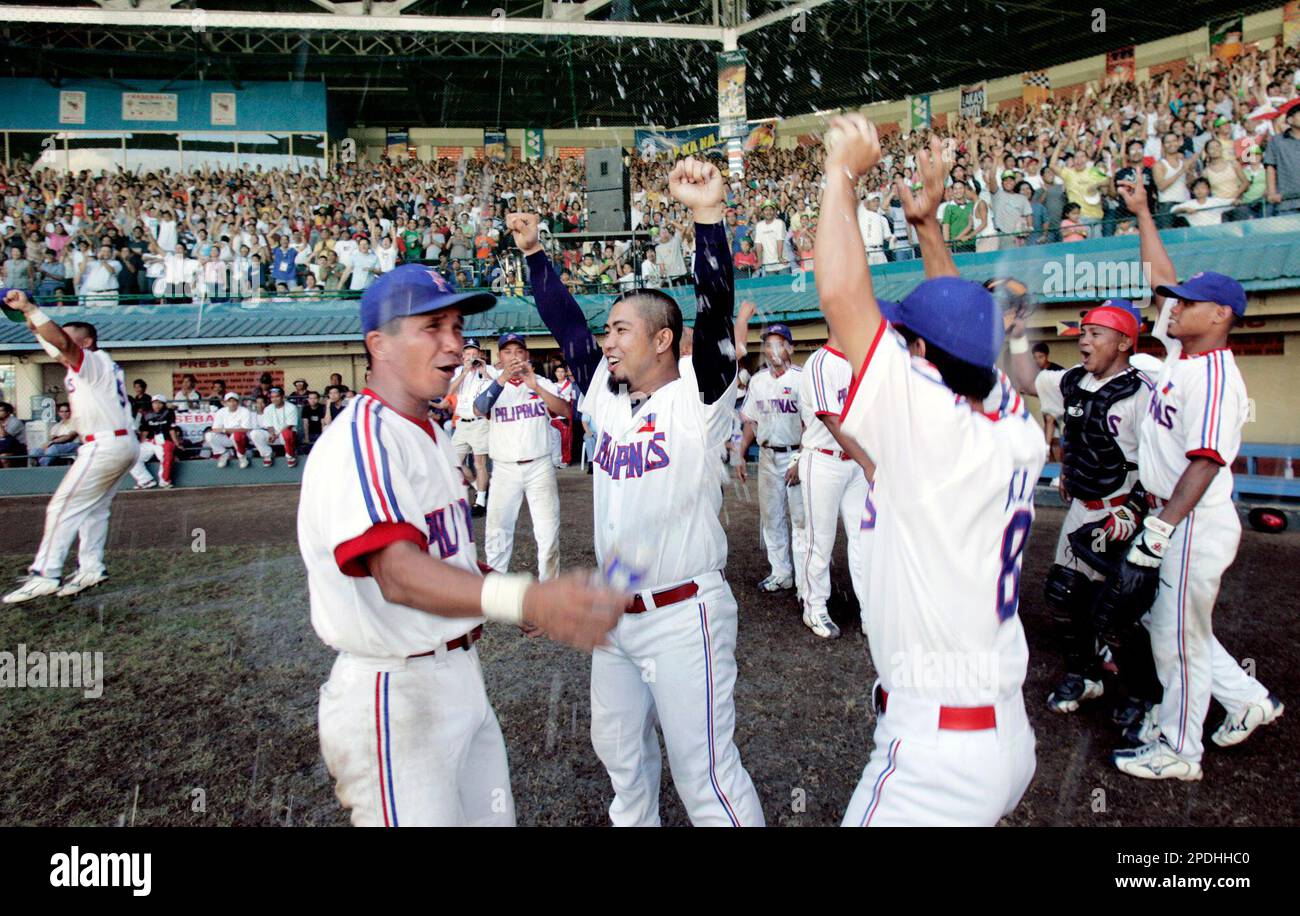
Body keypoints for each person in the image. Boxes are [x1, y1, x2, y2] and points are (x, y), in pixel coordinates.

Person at [296, 262, 624, 827]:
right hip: (394, 689)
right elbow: (397, 572)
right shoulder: (363, 437)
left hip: (456, 674)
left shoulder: (425, 430)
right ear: (379, 344)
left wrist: (502, 591)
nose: (454, 343)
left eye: (456, 326)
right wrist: (526, 599)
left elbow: (447, 555)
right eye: (432, 327)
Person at [507, 154, 764, 827]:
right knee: (622, 763)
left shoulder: (699, 396)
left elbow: (716, 309)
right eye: (609, 329)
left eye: (621, 328)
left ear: (662, 339)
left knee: (705, 776)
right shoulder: (607, 395)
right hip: (614, 613)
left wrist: (708, 219)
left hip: (684, 614)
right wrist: (535, 253)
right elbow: (564, 323)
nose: (606, 340)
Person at [818, 119, 1042, 826]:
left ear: (918, 350)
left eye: (904, 336)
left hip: (937, 754)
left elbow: (842, 299)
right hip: (1000, 732)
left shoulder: (926, 425)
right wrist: (928, 229)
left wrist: (842, 174)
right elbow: (968, 337)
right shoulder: (1009, 422)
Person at [1106, 177, 1282, 781]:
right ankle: (1248, 701)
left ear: (1221, 314)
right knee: (1172, 625)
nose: (1173, 307)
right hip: (1178, 515)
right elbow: (1161, 275)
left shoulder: (1215, 377)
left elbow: (1206, 460)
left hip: (1190, 519)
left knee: (1175, 640)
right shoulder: (1186, 356)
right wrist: (1142, 214)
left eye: (1187, 302)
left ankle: (1181, 750)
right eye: (1175, 301)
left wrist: (1160, 527)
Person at [1005, 300, 1161, 721]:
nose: (1084, 340)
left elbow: (1162, 459)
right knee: (1063, 594)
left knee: (1119, 612)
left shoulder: (1143, 392)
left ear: (1125, 341)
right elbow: (1025, 379)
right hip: (1082, 509)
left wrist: (1136, 510)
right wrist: (1018, 332)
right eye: (1084, 332)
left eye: (1096, 334)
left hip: (1125, 510)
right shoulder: (1074, 380)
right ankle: (1083, 674)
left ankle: (1141, 694)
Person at [1, 290, 139, 603]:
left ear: (86, 341)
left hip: (105, 444)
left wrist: (33, 308)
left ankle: (45, 573)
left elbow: (62, 344)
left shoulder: (92, 361)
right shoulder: (88, 365)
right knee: (94, 510)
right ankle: (90, 568)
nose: (63, 338)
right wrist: (29, 317)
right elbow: (56, 346)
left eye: (71, 335)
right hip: (119, 442)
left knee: (63, 506)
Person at [794, 331, 875, 641]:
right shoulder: (820, 362)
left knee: (864, 539)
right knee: (820, 540)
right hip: (823, 460)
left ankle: (870, 611)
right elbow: (831, 419)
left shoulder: (860, 363)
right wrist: (868, 463)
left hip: (855, 462)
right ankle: (814, 607)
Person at [473, 333, 567, 580]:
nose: (514, 356)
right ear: (500, 358)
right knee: (497, 532)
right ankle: (495, 588)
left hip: (540, 465)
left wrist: (535, 386)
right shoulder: (491, 386)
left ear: (526, 355)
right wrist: (502, 378)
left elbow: (566, 411)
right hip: (505, 468)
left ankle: (549, 591)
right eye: (507, 352)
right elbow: (478, 409)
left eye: (518, 351)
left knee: (547, 532)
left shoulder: (542, 383)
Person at [734, 323, 806, 605]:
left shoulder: (802, 379)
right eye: (768, 344)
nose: (772, 349)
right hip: (767, 455)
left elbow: (811, 424)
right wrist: (741, 451)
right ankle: (781, 572)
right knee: (772, 516)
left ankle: (804, 581)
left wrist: (801, 460)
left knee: (800, 520)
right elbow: (752, 421)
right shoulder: (758, 381)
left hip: (795, 453)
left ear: (790, 347)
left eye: (779, 343)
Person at [445, 338, 499, 514]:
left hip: (480, 422)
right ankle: (479, 486)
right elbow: (449, 391)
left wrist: (485, 371)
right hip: (461, 422)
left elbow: (500, 387)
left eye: (474, 353)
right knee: (454, 462)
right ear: (462, 356)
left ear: (480, 354)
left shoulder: (489, 370)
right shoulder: (458, 371)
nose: (471, 356)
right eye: (468, 354)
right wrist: (464, 372)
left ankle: (481, 501)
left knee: (480, 463)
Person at [128, 396, 178, 489]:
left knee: (167, 456)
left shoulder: (169, 412)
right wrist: (140, 444)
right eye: (155, 403)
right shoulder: (147, 414)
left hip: (164, 440)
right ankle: (145, 480)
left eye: (160, 403)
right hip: (150, 441)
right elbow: (145, 431)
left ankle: (164, 481)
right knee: (132, 457)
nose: (157, 405)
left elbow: (172, 429)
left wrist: (176, 443)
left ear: (164, 404)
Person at [204, 391, 258, 468]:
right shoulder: (221, 411)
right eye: (229, 401)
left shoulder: (244, 411)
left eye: (234, 401)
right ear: (225, 403)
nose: (232, 403)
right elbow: (215, 429)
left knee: (236, 435)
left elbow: (245, 429)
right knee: (209, 435)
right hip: (227, 437)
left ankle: (242, 457)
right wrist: (225, 430)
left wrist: (225, 430)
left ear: (238, 402)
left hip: (242, 439)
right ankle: (224, 453)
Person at [256, 386, 300, 468]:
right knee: (255, 433)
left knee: (286, 433)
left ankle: (290, 456)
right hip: (274, 436)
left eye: (277, 396)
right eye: (272, 397)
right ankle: (267, 455)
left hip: (287, 436)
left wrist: (276, 435)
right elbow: (269, 425)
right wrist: (272, 434)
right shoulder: (268, 409)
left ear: (282, 397)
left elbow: (289, 426)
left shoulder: (291, 407)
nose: (274, 399)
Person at [0, 401, 29, 468]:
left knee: (3, 457)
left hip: (17, 449)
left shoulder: (15, 422)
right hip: (3, 447)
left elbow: (3, 435)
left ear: (8, 412)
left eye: (1, 411)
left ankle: (8, 476)